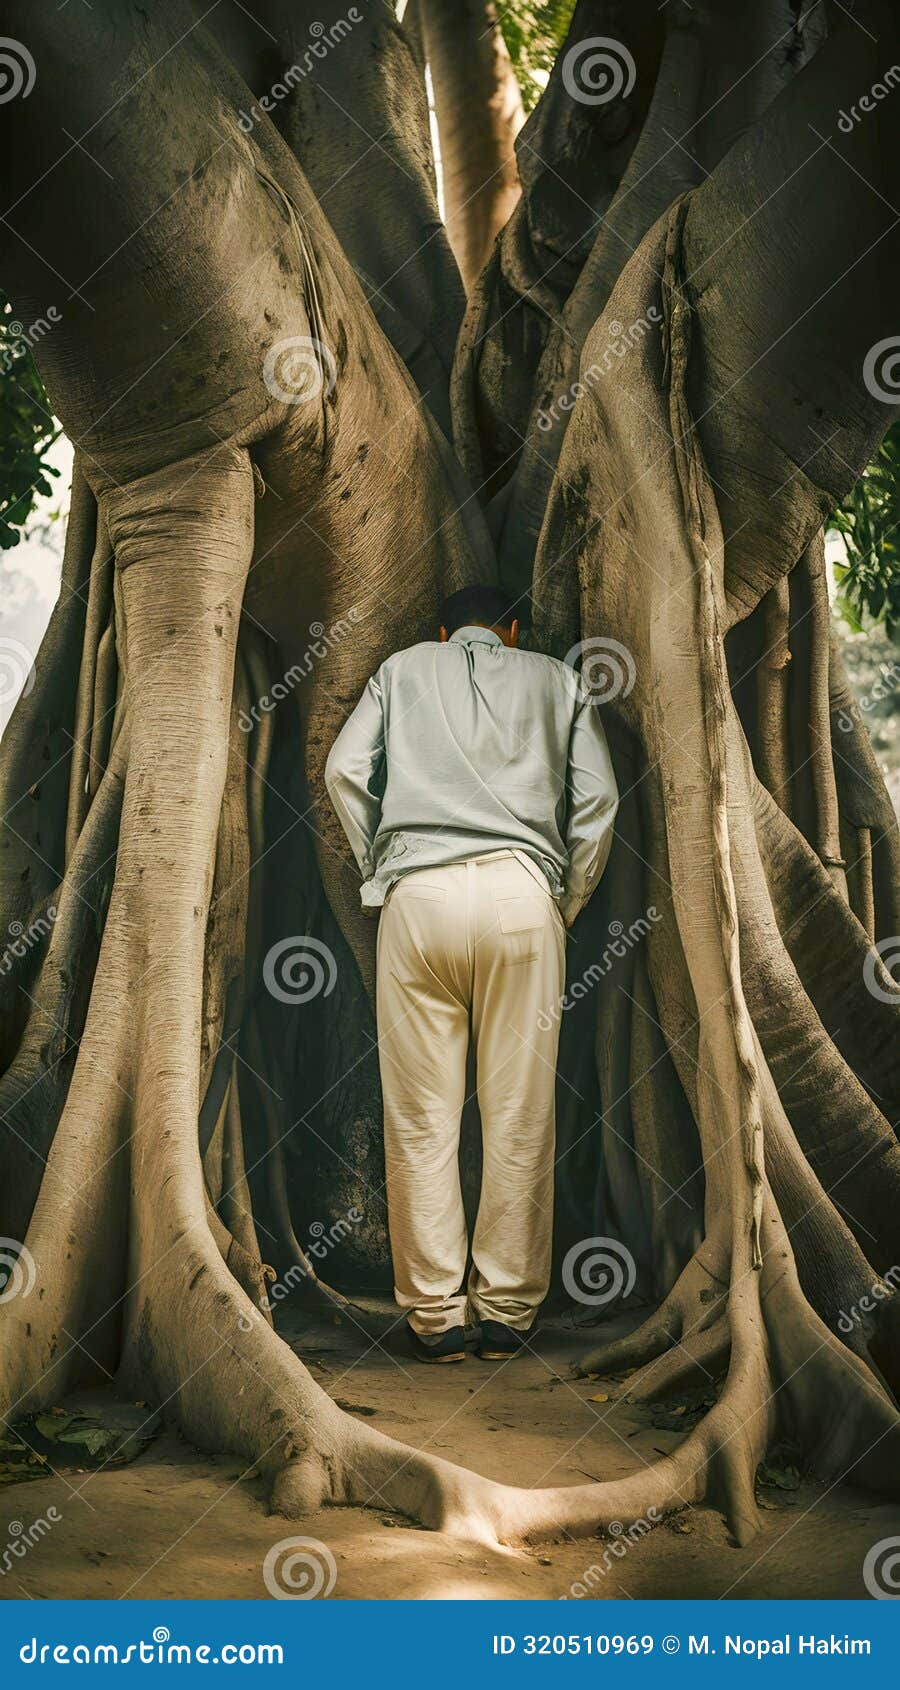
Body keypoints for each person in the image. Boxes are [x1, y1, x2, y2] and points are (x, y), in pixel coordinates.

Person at [324, 585, 619, 1363]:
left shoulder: (402, 667)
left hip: (417, 901)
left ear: (444, 631)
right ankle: (506, 1316)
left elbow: (343, 770)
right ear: (513, 630)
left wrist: (381, 867)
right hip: (522, 901)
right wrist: (565, 899)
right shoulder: (557, 678)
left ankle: (435, 1320)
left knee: (420, 1119)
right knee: (520, 1115)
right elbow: (599, 800)